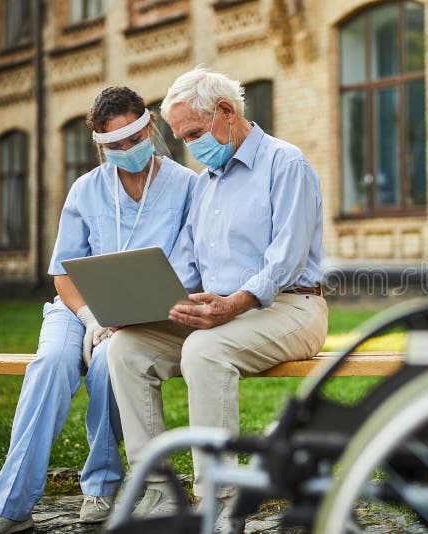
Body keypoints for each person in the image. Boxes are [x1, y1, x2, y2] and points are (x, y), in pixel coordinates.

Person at [106, 67, 328, 526]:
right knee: (126, 349)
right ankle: (159, 490)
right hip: (222, 312)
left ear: (226, 111)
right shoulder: (206, 183)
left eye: (193, 133)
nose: (190, 146)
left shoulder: (286, 163)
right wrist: (144, 308)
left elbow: (285, 260)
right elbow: (187, 266)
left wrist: (235, 304)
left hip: (292, 307)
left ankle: (220, 503)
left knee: (204, 351)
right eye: (182, 138)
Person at [0, 87, 198, 533]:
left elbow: (188, 271)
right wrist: (89, 317)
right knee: (49, 365)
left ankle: (100, 488)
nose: (126, 150)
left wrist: (124, 317)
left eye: (134, 137)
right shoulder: (85, 189)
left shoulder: (187, 187)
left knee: (108, 361)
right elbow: (63, 272)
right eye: (114, 145)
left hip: (143, 314)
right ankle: (10, 506)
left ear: (152, 126)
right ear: (100, 146)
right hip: (77, 310)